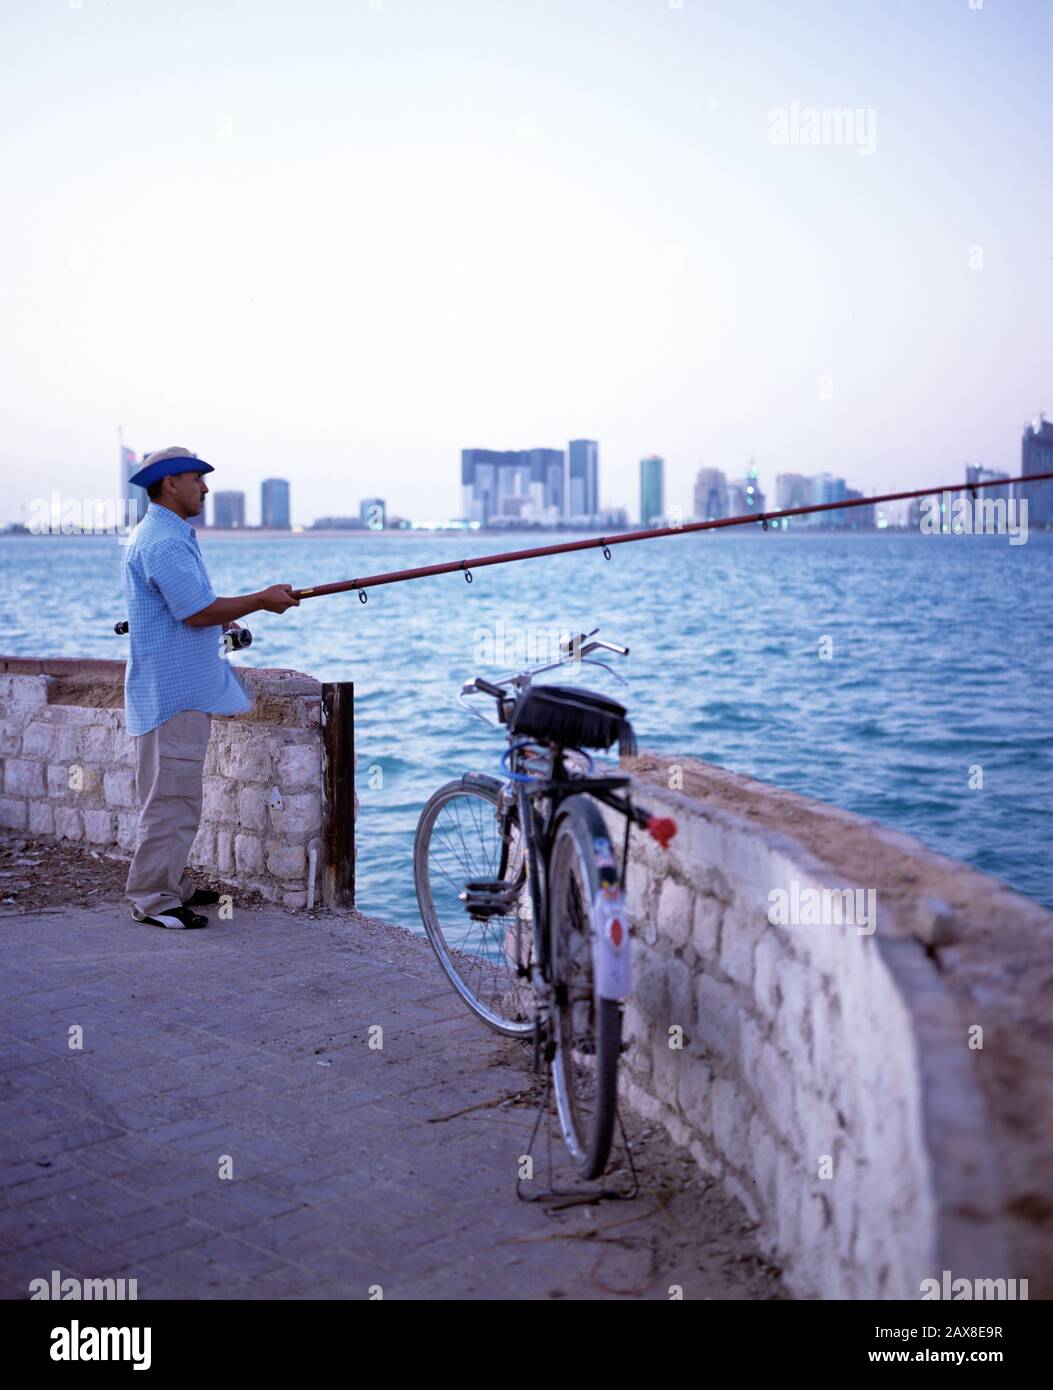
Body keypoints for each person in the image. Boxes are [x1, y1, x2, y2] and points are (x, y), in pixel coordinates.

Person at [121, 446, 299, 929]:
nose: (205, 487)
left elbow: (194, 607)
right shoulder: (162, 541)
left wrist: (236, 611)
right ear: (170, 482)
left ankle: (171, 883)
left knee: (169, 796)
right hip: (171, 696)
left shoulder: (165, 535)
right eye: (197, 478)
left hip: (168, 692)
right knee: (172, 801)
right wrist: (262, 599)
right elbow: (197, 612)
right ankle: (154, 900)